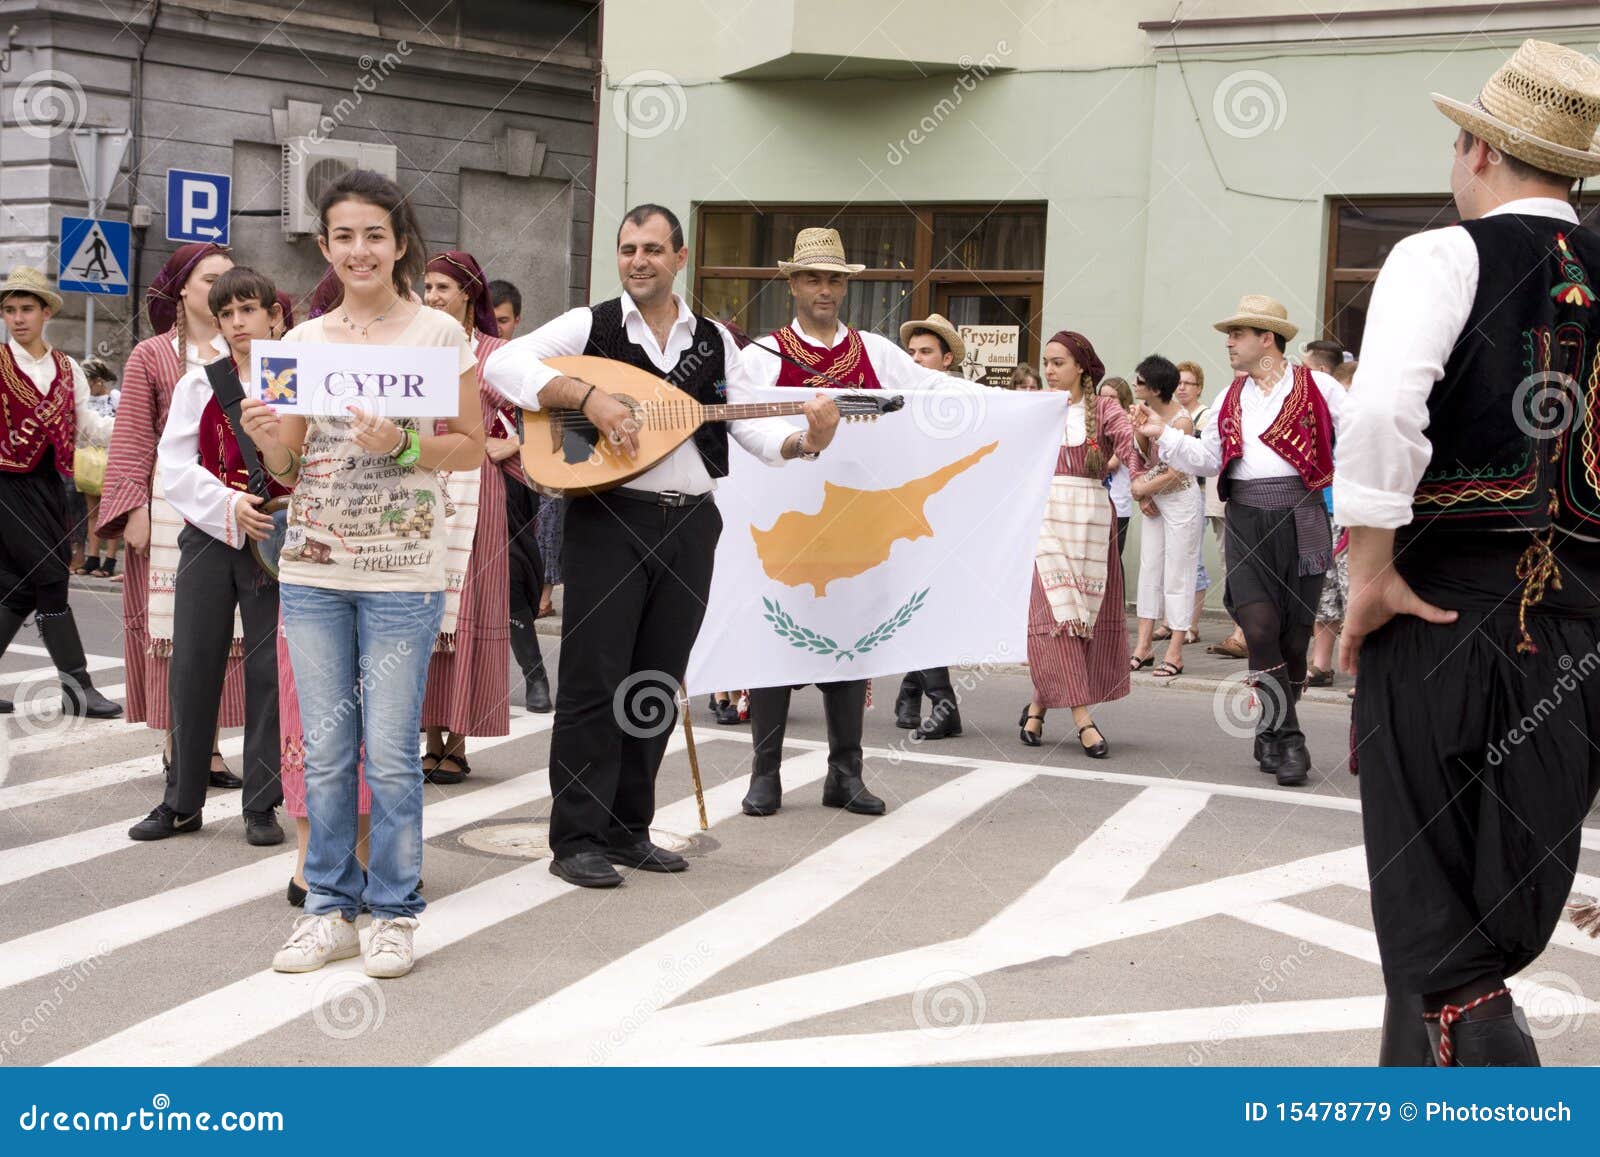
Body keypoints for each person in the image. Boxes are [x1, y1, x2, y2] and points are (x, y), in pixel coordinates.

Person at [1336, 39, 1600, 1066]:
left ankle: (1476, 1081)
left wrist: (1366, 573)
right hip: (1577, 630)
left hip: (1438, 608)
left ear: (1477, 149)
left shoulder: (1442, 253)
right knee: (1484, 911)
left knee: (1433, 921)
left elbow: (1379, 415)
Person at [483, 203, 840, 888]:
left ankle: (627, 827)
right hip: (608, 516)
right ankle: (577, 835)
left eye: (652, 248)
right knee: (594, 678)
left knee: (654, 679)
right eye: (627, 249)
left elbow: (753, 428)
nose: (638, 260)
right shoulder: (593, 325)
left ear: (679, 256)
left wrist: (806, 439)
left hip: (690, 523)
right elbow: (505, 364)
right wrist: (583, 395)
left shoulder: (714, 340)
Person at [242, 169, 485, 978]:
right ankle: (327, 909)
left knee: (387, 752)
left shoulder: (440, 335)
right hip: (312, 563)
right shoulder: (302, 345)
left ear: (399, 242)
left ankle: (394, 910)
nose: (359, 249)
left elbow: (473, 443)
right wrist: (269, 431)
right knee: (324, 749)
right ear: (325, 246)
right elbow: (285, 463)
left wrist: (405, 445)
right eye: (343, 236)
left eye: (374, 234)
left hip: (402, 568)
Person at [739, 229, 976, 817]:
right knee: (775, 644)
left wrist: (1018, 407)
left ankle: (844, 773)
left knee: (851, 647)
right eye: (814, 278)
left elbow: (932, 395)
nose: (825, 289)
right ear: (792, 282)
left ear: (847, 285)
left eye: (835, 280)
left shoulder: (876, 351)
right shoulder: (761, 356)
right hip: (788, 525)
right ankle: (764, 773)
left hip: (858, 526)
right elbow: (740, 424)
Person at [1135, 296, 1342, 788]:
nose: (1228, 342)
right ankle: (1289, 736)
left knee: (1294, 637)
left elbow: (1359, 441)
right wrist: (1161, 433)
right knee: (1259, 624)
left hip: (1304, 518)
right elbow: (1209, 459)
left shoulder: (1320, 386)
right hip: (1246, 518)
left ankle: (1269, 725)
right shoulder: (1231, 396)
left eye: (1237, 334)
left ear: (1266, 339)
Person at [131, 267, 289, 844]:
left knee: (271, 671)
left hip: (276, 542)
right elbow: (173, 467)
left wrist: (269, 513)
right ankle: (181, 801)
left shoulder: (295, 380)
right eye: (227, 314)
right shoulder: (200, 383)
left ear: (274, 314)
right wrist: (228, 507)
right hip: (208, 534)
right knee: (194, 664)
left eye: (250, 309)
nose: (239, 322)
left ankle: (261, 805)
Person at [97, 243, 246, 784]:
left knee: (227, 634)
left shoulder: (251, 354)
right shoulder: (152, 355)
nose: (221, 290)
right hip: (169, 511)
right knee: (176, 635)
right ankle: (177, 747)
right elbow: (135, 438)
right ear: (182, 287)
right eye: (210, 280)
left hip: (235, 508)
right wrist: (133, 507)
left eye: (230, 281)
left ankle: (210, 748)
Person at [0, 266, 119, 717]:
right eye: (9, 310)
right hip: (6, 486)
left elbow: (90, 427)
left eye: (26, 308)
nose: (17, 318)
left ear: (45, 311)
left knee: (18, 589)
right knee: (52, 578)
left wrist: (137, 426)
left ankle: (76, 689)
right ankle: (77, 687)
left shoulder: (68, 366)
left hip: (51, 485)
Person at [418, 250, 517, 780]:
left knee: (470, 608)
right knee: (426, 607)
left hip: (477, 491)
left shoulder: (498, 354)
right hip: (420, 487)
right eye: (427, 287)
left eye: (442, 288)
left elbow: (542, 409)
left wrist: (510, 442)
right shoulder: (416, 347)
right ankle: (428, 735)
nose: (433, 297)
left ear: (468, 295)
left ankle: (456, 741)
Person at [1020, 331, 1143, 757]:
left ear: (1080, 367)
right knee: (1059, 617)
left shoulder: (1104, 407)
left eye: (1058, 363)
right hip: (1045, 522)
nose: (1050, 370)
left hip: (1091, 524)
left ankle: (1037, 707)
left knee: (1079, 620)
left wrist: (1142, 454)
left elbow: (1130, 443)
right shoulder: (1038, 407)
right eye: (1047, 362)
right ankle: (1082, 719)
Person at [892, 312, 966, 741]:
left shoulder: (963, 399)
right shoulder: (900, 396)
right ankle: (918, 693)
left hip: (943, 515)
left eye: (926, 352)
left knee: (926, 605)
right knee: (911, 604)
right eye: (912, 351)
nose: (916, 359)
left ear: (946, 359)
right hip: (903, 515)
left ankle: (938, 701)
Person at [1127, 355, 1202, 681]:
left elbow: (1177, 471)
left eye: (1140, 381)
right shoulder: (1145, 410)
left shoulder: (1182, 422)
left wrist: (1143, 488)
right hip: (1155, 500)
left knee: (1178, 574)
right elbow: (1141, 457)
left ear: (1156, 388)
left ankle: (1175, 651)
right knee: (1150, 569)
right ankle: (1143, 646)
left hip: (1181, 500)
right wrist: (1140, 430)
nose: (1134, 384)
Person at [75, 357, 121, 579]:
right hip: (88, 463)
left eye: (88, 381)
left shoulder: (115, 399)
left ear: (98, 381)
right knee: (92, 512)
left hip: (111, 460)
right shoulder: (83, 402)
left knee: (111, 513)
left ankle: (110, 561)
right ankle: (92, 558)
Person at [1098, 376, 1136, 559]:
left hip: (1118, 504)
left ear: (1123, 400)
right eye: (1102, 397)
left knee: (1112, 560)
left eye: (1111, 397)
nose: (1106, 402)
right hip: (1097, 502)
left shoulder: (1126, 425)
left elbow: (1112, 463)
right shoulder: (1095, 424)